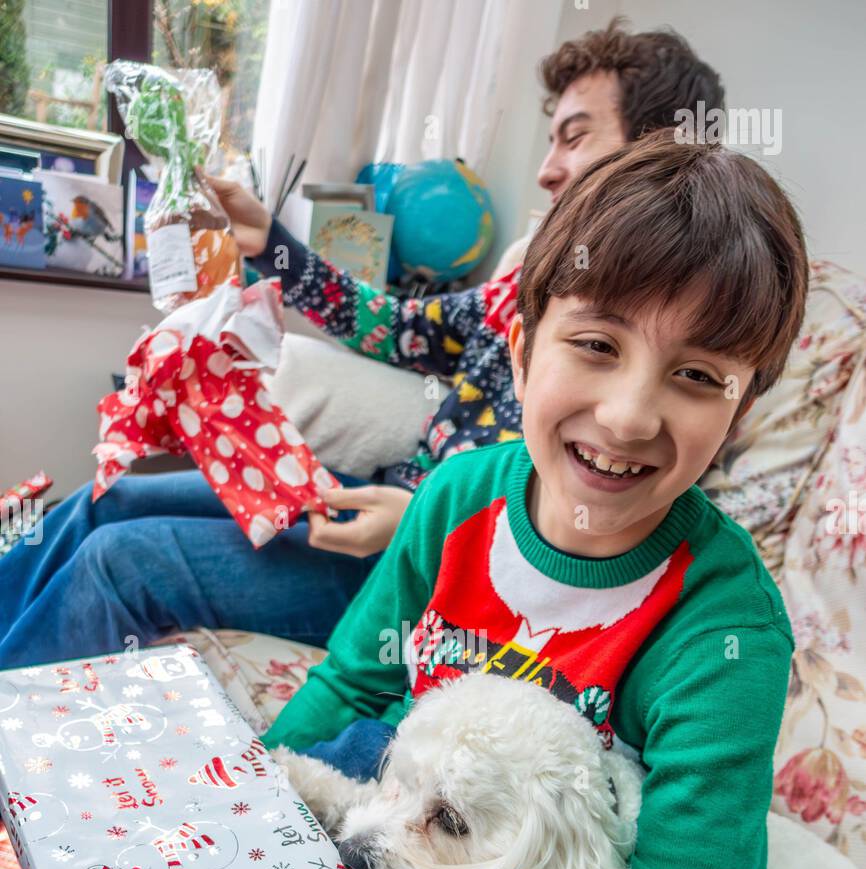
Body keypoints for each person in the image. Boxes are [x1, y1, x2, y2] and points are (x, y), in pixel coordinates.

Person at [42, 127, 810, 869]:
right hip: (400, 812)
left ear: (741, 402)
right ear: (519, 338)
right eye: (594, 347)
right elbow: (353, 685)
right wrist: (230, 829)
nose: (626, 415)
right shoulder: (456, 495)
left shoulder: (722, 634)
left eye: (696, 376)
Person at [0, 20, 725, 669]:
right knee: (106, 500)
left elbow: (594, 519)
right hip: (377, 502)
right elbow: (404, 329)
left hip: (420, 568)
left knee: (120, 562)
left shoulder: (702, 339)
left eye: (575, 135)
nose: (545, 169)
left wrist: (420, 523)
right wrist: (270, 245)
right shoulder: (535, 278)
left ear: (654, 151)